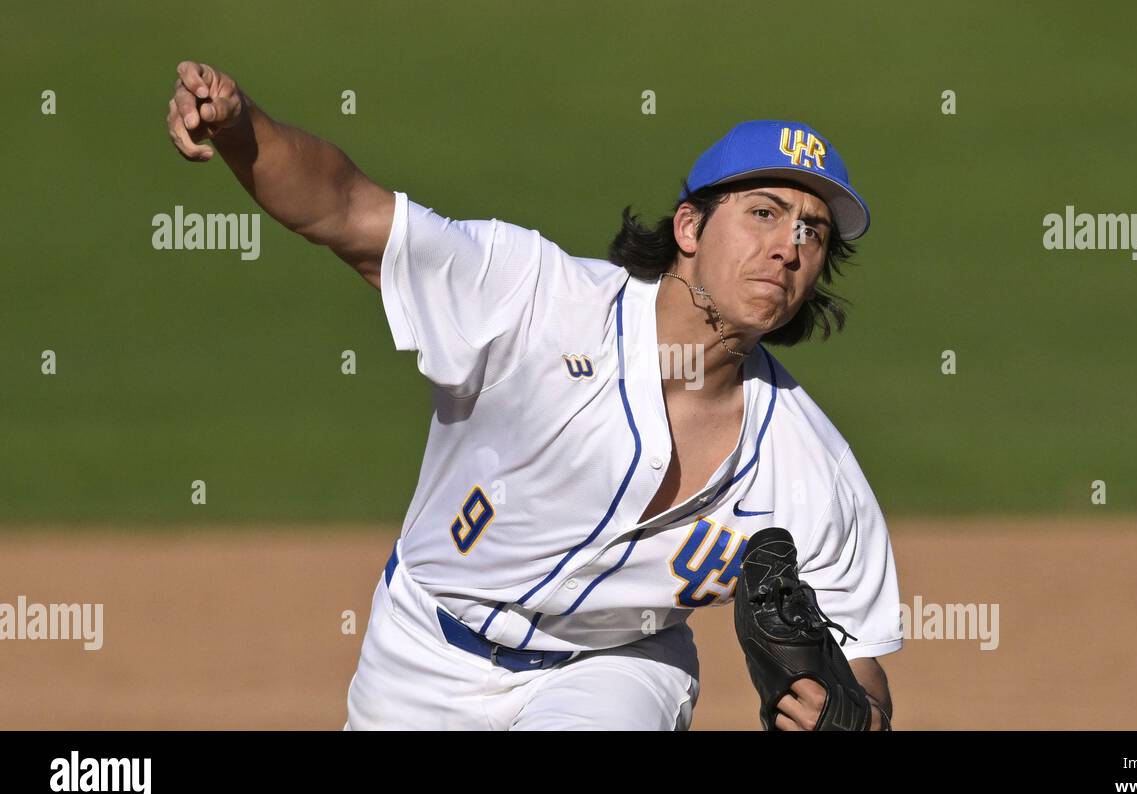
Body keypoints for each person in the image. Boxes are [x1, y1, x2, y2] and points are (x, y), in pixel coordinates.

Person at [166, 60, 902, 731]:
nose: (790, 246)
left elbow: (863, 678)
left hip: (615, 671)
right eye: (765, 212)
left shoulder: (814, 468)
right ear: (688, 226)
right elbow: (345, 209)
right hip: (424, 648)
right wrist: (241, 129)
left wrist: (846, 718)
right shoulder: (534, 298)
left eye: (814, 232)